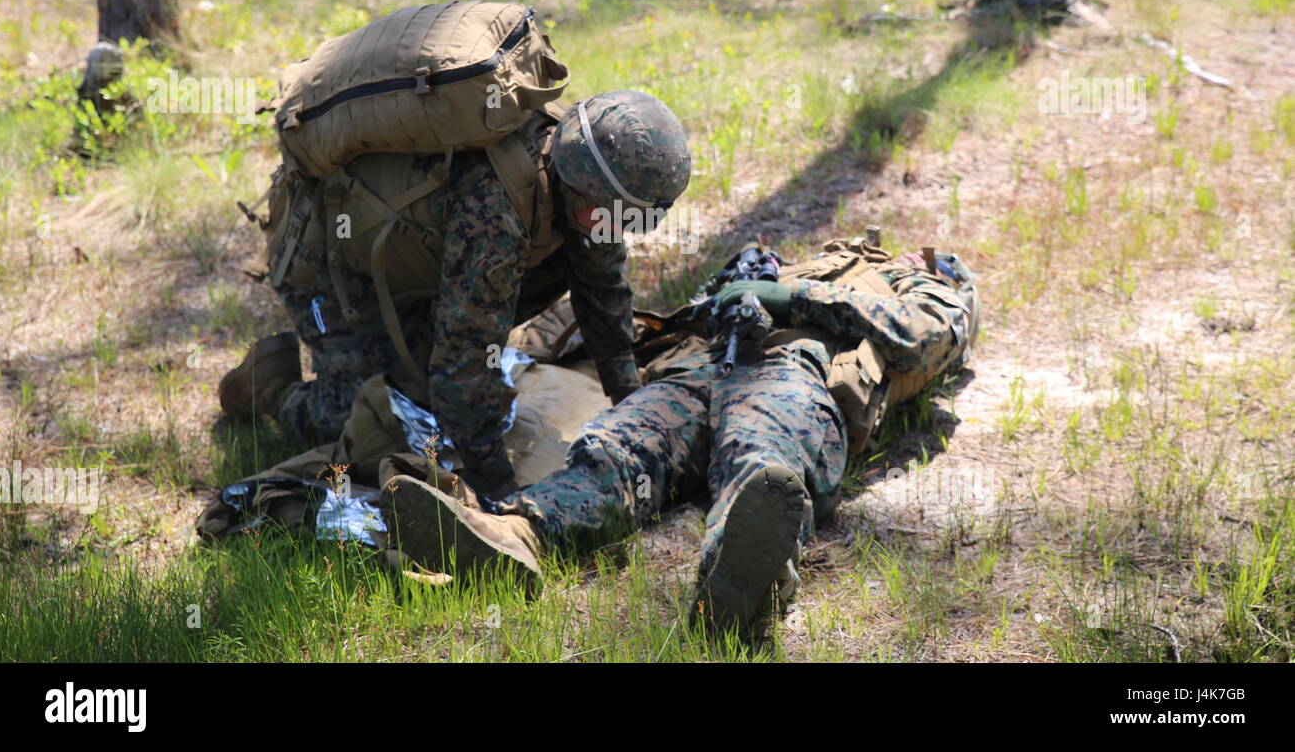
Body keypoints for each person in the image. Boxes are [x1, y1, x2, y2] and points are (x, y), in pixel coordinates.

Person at [378, 239, 979, 635]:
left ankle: (737, 588)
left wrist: (792, 296)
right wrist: (728, 295)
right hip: (699, 370)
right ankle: (519, 535)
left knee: (763, 465)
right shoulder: (785, 262)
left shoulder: (921, 286)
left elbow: (924, 334)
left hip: (794, 372)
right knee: (616, 452)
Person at [218, 89, 691, 498]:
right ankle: (267, 387)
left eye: (637, 220)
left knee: (428, 393)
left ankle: (410, 353)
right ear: (581, 186)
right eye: (621, 214)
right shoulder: (496, 215)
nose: (623, 229)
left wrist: (630, 404)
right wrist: (499, 487)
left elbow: (602, 290)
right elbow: (465, 361)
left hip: (417, 272)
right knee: (369, 419)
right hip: (329, 264)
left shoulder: (581, 175)